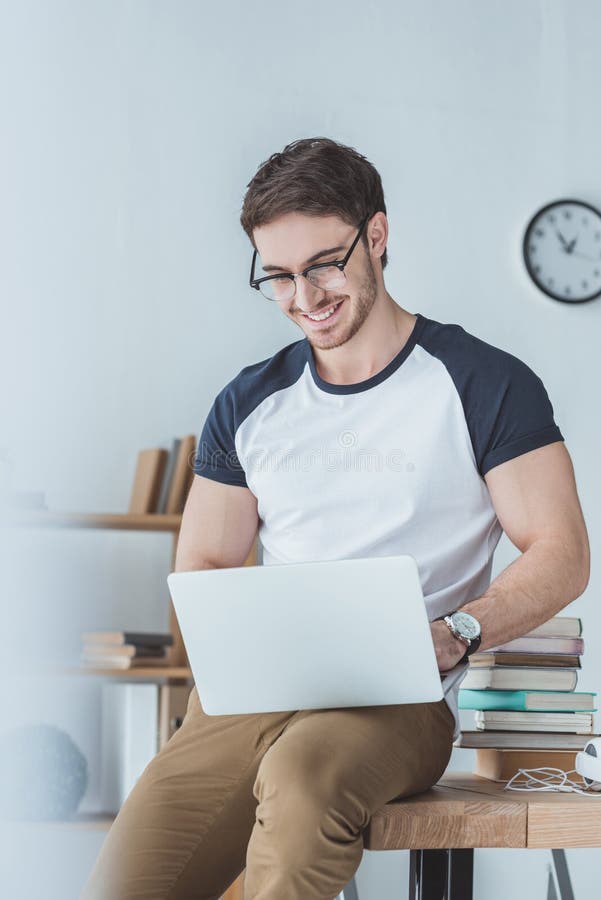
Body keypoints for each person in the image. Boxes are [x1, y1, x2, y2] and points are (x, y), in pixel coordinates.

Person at [80, 137, 590, 900]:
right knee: (128, 882)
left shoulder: (482, 383)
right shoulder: (249, 403)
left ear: (375, 238)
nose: (304, 297)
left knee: (299, 784)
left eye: (323, 264)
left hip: (400, 700)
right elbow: (206, 566)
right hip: (251, 694)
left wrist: (459, 632)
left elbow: (560, 551)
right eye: (278, 276)